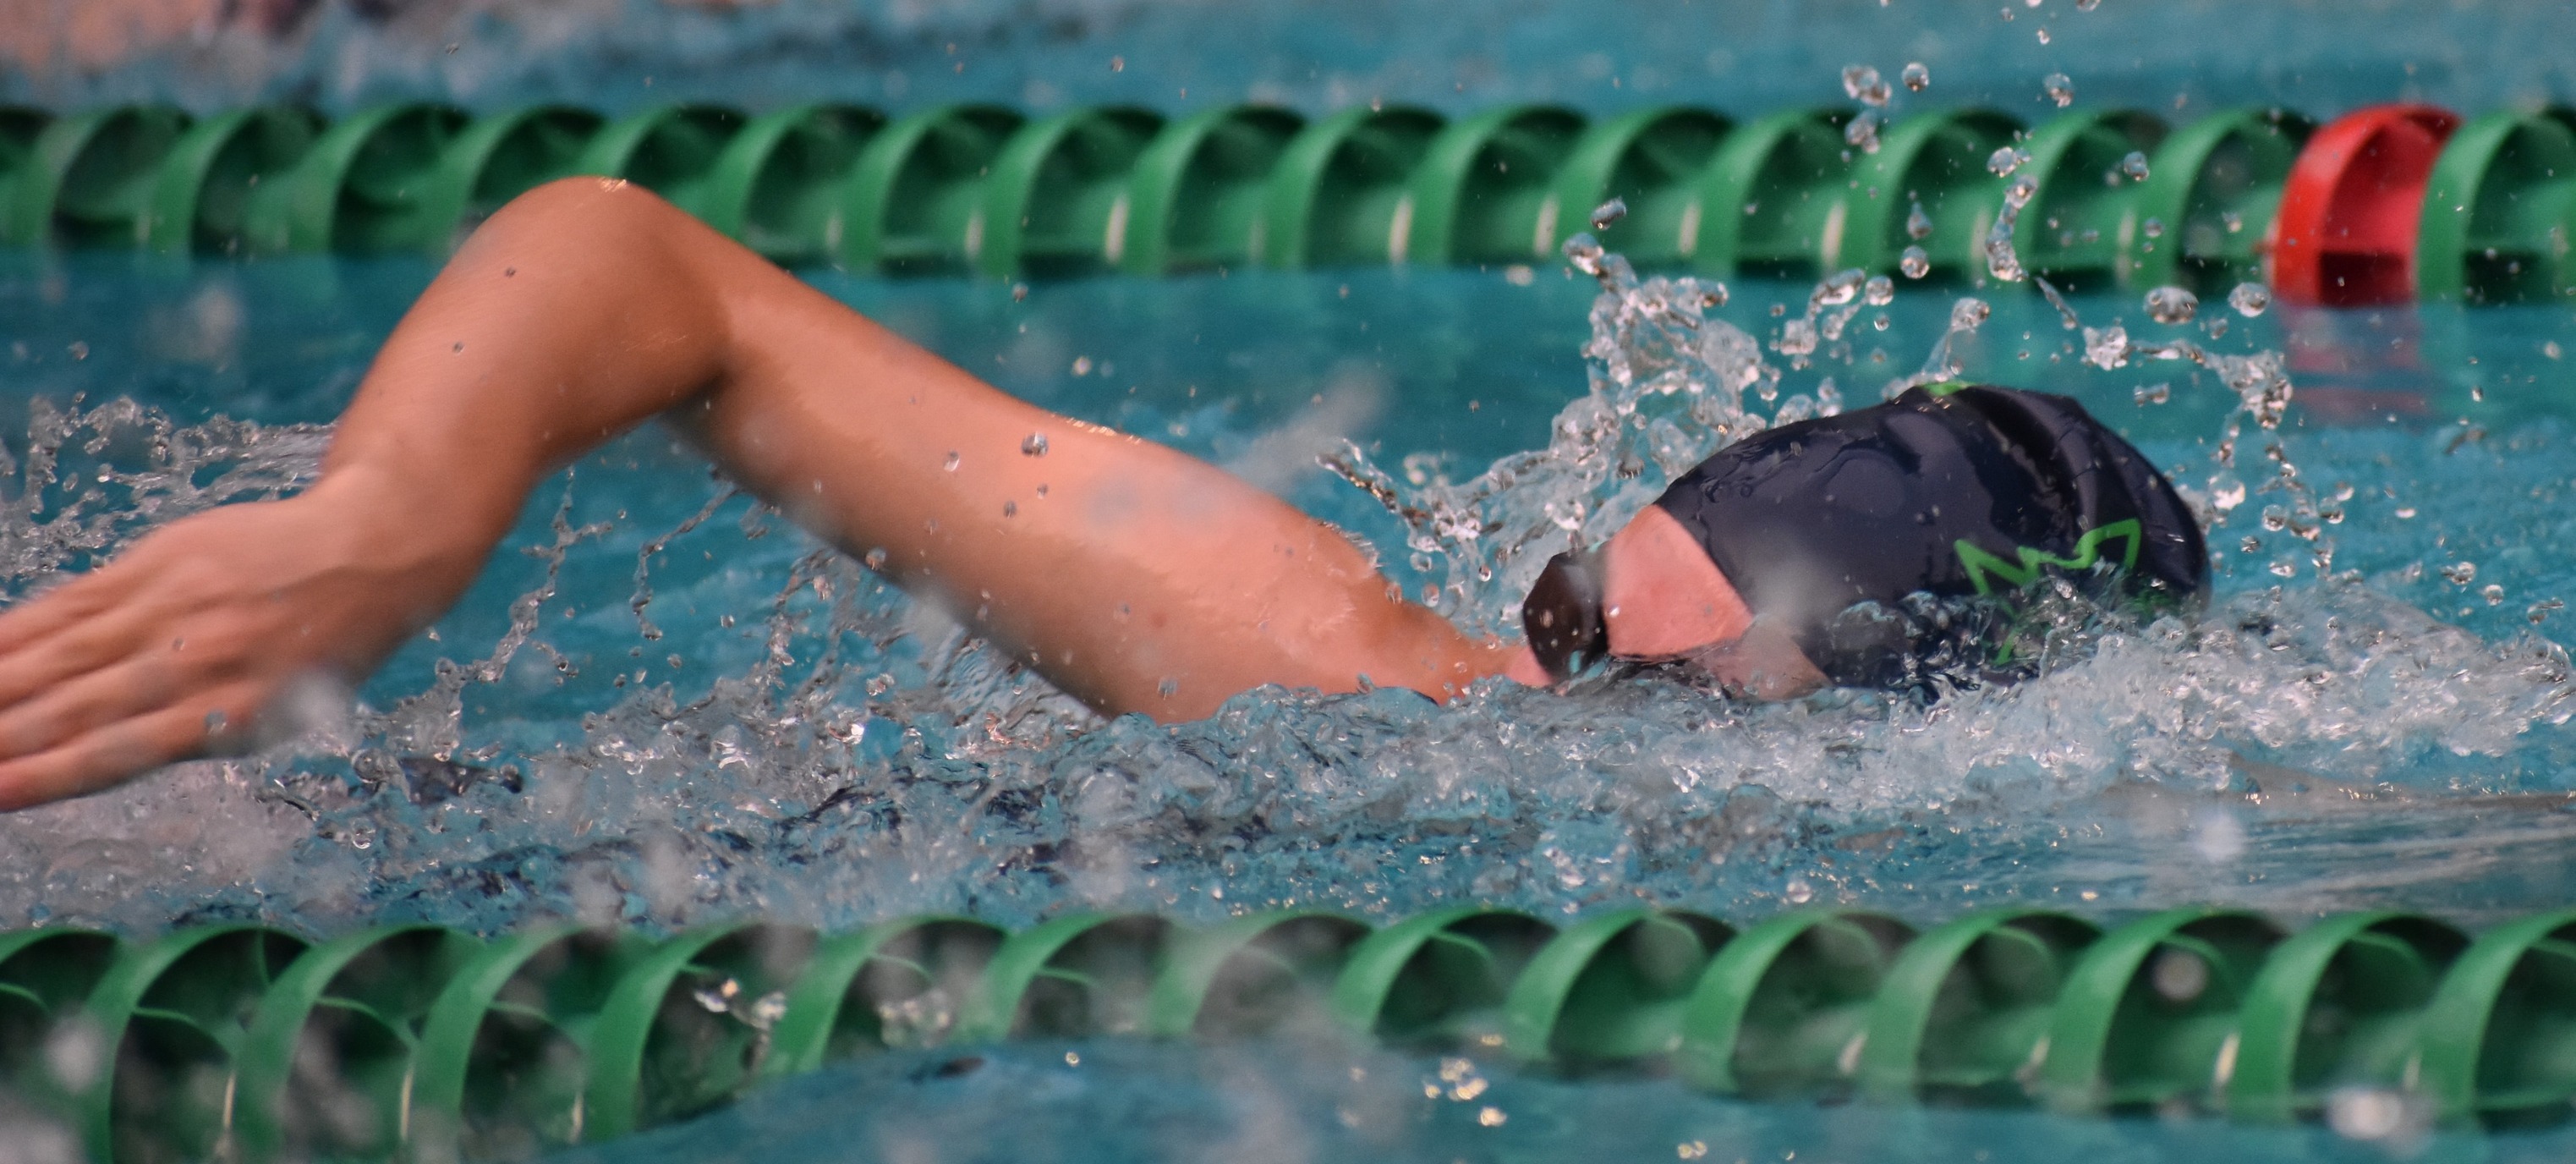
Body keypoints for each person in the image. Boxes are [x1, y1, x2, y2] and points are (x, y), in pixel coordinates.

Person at [0, 178, 2206, 811]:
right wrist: (384, 514)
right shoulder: (1356, 679)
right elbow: (640, 268)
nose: (1528, 716)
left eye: (1633, 705)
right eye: (1554, 625)